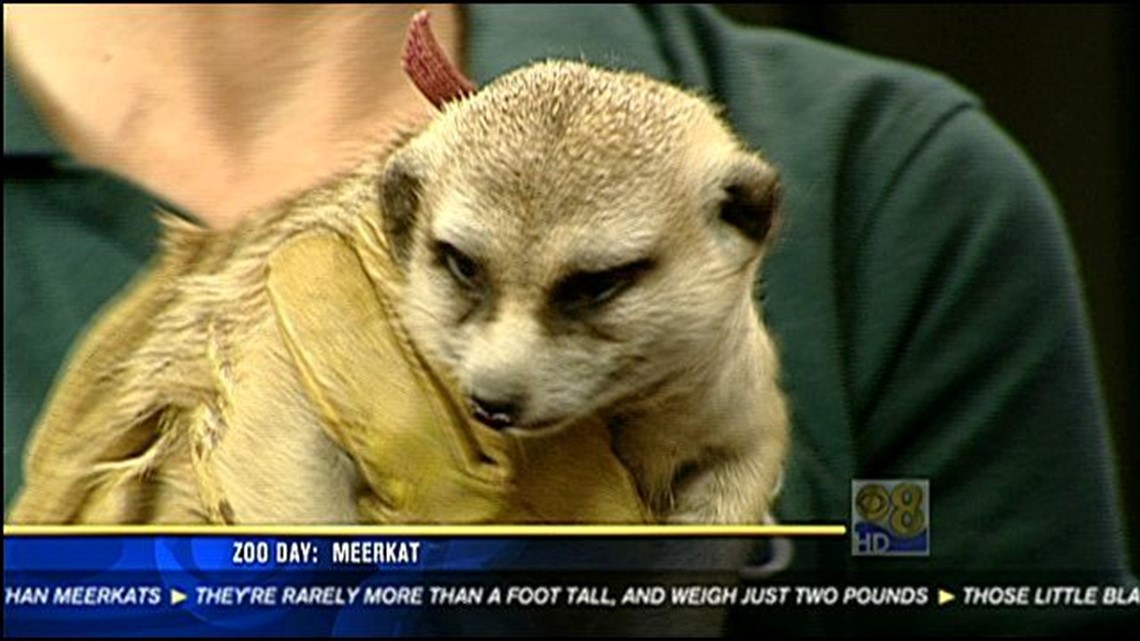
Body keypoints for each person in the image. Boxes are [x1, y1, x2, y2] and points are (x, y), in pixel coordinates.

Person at [4, 4, 1133, 635]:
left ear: (744, 228)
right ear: (406, 215)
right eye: (459, 270)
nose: (504, 364)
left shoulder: (897, 188)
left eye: (593, 287)